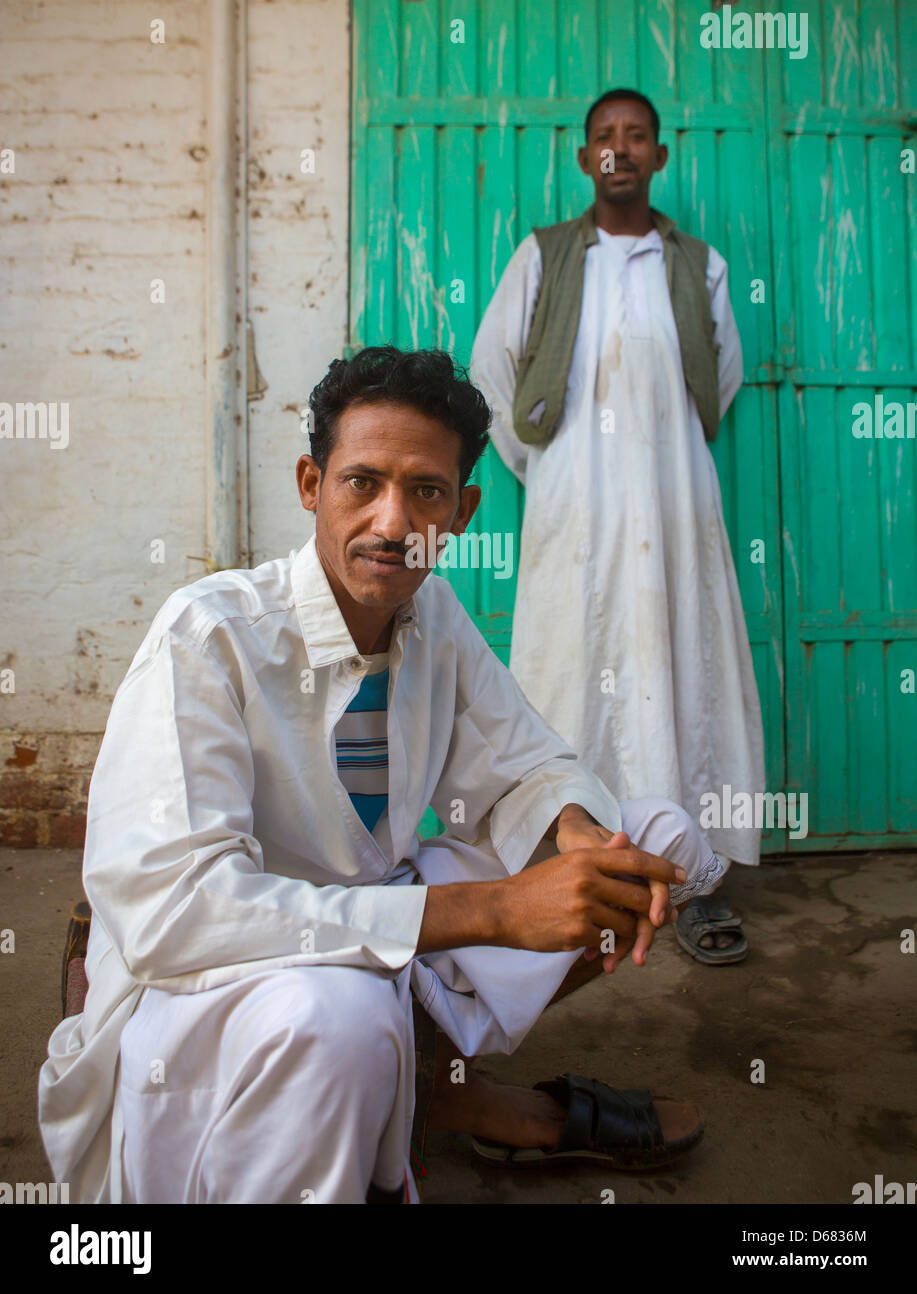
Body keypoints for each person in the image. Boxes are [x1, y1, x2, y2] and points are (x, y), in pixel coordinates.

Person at [39, 347, 727, 1204]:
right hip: (223, 989)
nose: (393, 521)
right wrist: (493, 912)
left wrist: (569, 830)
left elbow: (523, 763)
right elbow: (179, 914)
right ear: (310, 485)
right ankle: (377, 1096)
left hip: (382, 925)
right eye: (362, 482)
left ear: (463, 510)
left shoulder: (429, 612)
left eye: (426, 492)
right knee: (340, 1016)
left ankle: (430, 1092)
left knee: (651, 844)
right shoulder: (208, 635)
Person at [470, 89, 766, 965]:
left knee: (683, 664)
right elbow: (492, 374)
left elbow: (725, 376)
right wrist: (553, 476)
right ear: (583, 157)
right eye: (603, 136)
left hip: (675, 499)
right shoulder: (545, 256)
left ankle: (692, 879)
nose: (619, 149)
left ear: (658, 156)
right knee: (572, 663)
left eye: (635, 136)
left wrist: (657, 456)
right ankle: (574, 869)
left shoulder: (696, 265)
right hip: (574, 510)